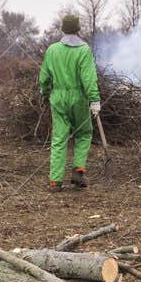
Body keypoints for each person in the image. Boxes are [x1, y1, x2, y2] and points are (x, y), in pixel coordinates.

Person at [38, 13, 101, 191]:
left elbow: (44, 78)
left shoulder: (52, 50)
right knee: (84, 133)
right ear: (78, 29)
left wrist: (45, 93)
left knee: (59, 138)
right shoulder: (84, 50)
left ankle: (55, 181)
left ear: (63, 29)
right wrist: (95, 99)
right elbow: (88, 78)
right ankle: (78, 170)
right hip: (79, 98)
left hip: (57, 98)